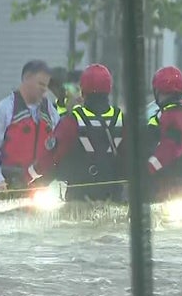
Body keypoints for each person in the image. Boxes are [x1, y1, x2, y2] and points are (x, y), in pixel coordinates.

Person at [24, 64, 126, 203]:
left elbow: (51, 156)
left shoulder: (72, 121)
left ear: (83, 91)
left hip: (79, 199)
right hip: (115, 197)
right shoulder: (122, 119)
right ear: (109, 89)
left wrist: (27, 176)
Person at [0, 60, 60, 200]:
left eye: (46, 86)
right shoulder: (5, 109)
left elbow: (60, 140)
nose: (44, 89)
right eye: (41, 84)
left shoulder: (49, 110)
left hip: (41, 181)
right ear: (26, 78)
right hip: (10, 181)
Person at [147, 66, 182, 202]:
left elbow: (170, 148)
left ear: (157, 91)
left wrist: (148, 168)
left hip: (171, 186)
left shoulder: (176, 114)